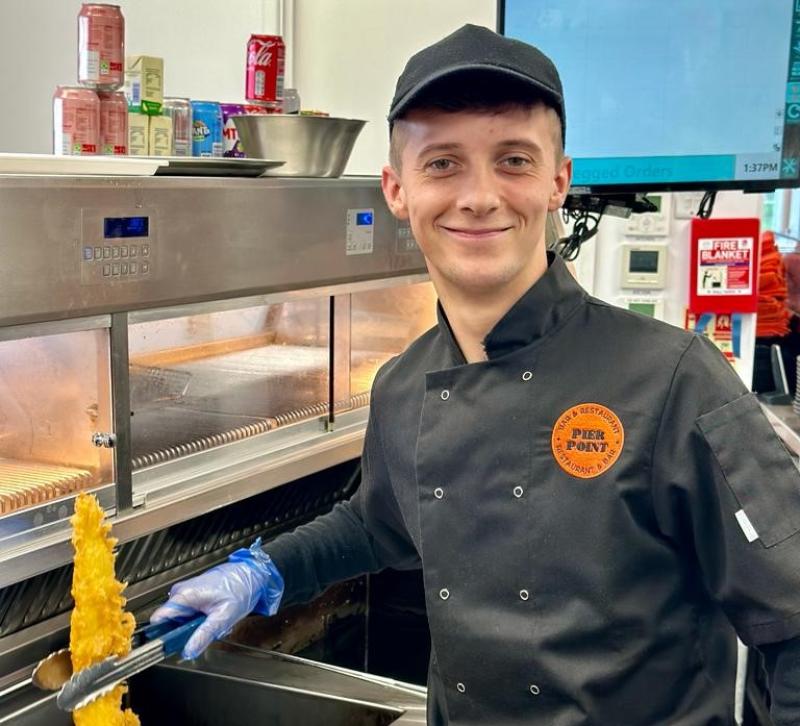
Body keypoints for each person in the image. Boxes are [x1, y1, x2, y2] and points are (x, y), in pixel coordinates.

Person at [151, 24, 800, 725]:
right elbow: (376, 524)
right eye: (443, 164)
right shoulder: (403, 384)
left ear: (558, 182)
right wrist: (264, 571)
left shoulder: (674, 380)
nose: (480, 196)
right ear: (398, 190)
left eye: (514, 160)